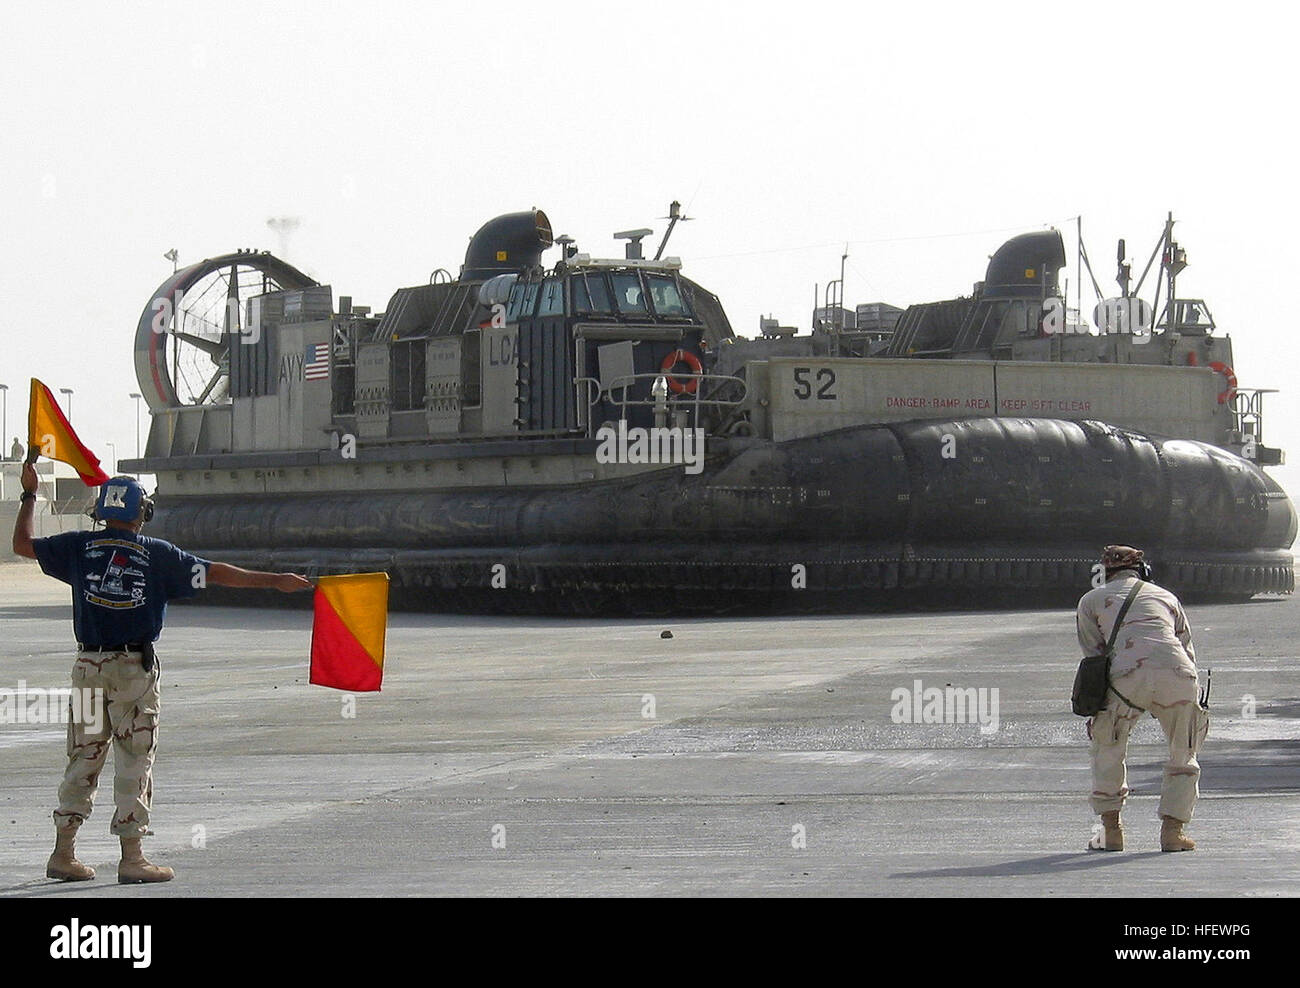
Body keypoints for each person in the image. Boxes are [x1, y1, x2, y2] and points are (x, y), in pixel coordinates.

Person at [11, 463, 313, 883]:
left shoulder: (76, 547)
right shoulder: (158, 555)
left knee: (83, 757)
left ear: (102, 512)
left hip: (88, 667)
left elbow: (23, 545)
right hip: (133, 670)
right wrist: (274, 580)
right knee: (134, 758)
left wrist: (30, 495)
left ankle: (64, 852)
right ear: (142, 514)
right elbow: (216, 573)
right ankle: (132, 859)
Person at [1077, 545, 1206, 853]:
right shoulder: (1166, 597)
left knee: (1108, 748)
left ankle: (1111, 833)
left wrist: (1100, 710)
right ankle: (1173, 833)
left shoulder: (1091, 600)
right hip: (1178, 675)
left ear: (1105, 573)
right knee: (1183, 752)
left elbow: (1093, 655)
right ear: (1143, 570)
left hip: (1125, 677)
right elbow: (1185, 644)